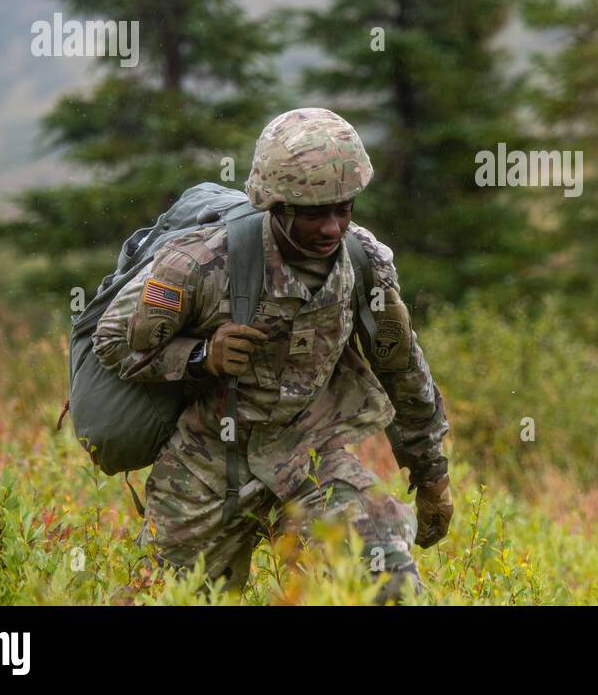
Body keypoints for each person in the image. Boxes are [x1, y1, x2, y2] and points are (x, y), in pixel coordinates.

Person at [92, 108, 452, 601]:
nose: (332, 228)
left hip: (310, 461)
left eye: (342, 209)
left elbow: (402, 369)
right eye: (313, 213)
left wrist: (432, 474)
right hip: (203, 475)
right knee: (167, 598)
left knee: (390, 584)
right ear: (275, 205)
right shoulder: (201, 262)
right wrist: (200, 356)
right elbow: (113, 344)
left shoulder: (363, 262)